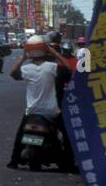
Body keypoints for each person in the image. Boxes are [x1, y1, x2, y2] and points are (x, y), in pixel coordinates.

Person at [6, 35, 75, 170]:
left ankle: (14, 161)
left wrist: (23, 57)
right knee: (68, 135)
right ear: (45, 50)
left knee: (20, 135)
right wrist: (54, 52)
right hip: (51, 112)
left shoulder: (27, 69)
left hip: (32, 111)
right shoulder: (52, 67)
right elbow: (68, 69)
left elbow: (13, 73)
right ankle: (69, 163)